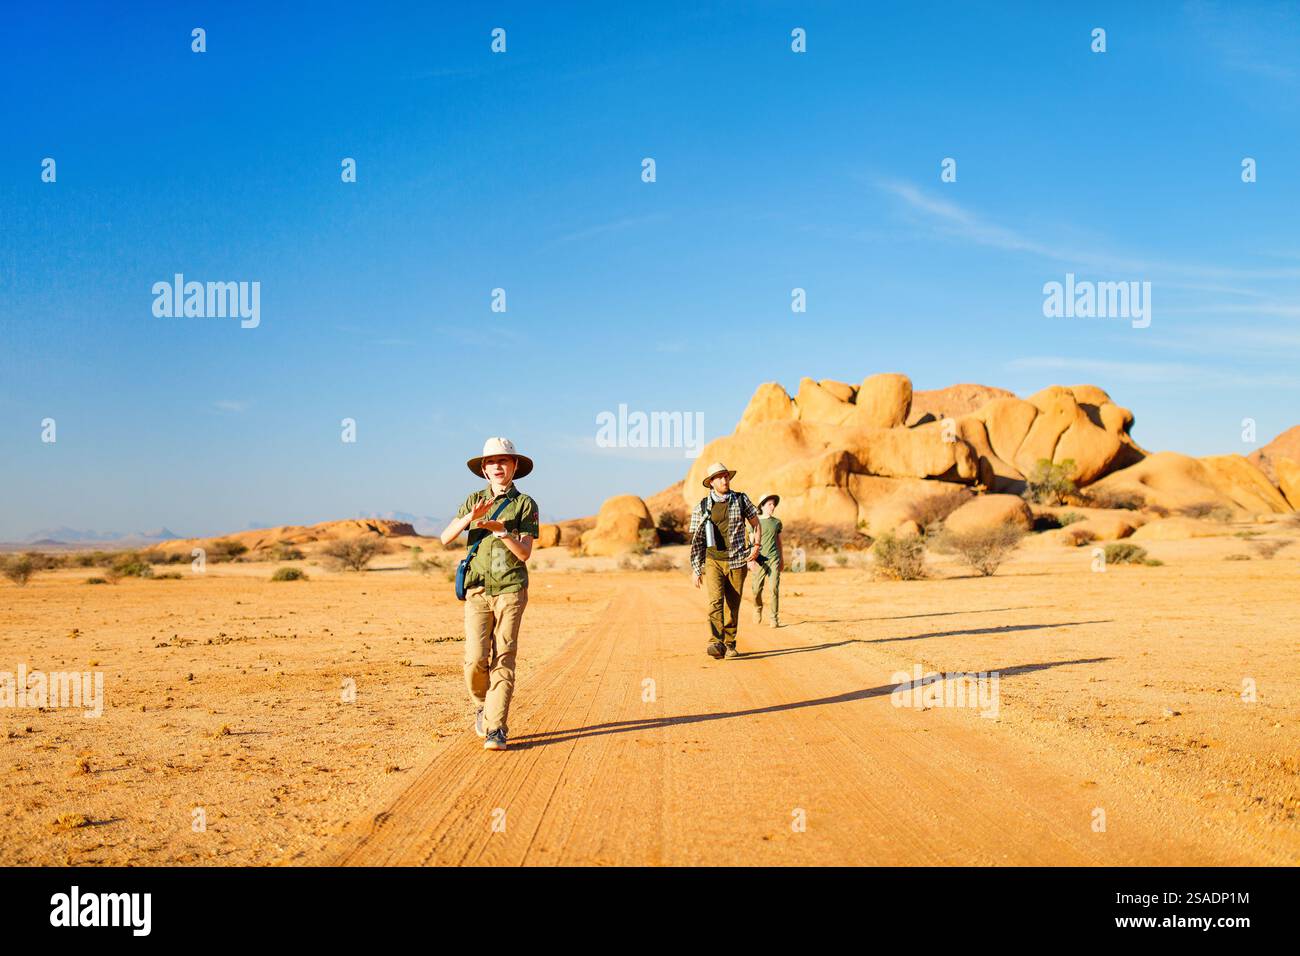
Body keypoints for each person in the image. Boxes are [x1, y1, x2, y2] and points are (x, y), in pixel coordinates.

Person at [439, 437, 539, 752]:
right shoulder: (472, 500)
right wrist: (472, 517)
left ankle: (496, 728)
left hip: (511, 587)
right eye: (492, 462)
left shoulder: (525, 505)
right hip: (477, 588)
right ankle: (483, 704)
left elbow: (524, 554)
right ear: (484, 469)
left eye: (504, 461)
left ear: (514, 467)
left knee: (505, 657)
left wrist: (502, 531)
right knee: (474, 659)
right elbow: (445, 537)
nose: (498, 466)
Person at [688, 461, 761, 659]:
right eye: (719, 477)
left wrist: (756, 547)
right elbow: (697, 540)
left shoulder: (740, 499)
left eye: (726, 476)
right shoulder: (702, 507)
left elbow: (756, 524)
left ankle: (730, 644)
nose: (724, 479)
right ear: (711, 482)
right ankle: (715, 642)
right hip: (713, 561)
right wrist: (696, 569)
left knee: (733, 604)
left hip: (737, 560)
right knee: (714, 602)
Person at [751, 493, 783, 627]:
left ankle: (774, 618)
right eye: (769, 504)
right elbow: (751, 541)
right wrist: (750, 559)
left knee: (774, 588)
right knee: (756, 590)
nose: (773, 506)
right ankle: (758, 608)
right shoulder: (755, 521)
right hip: (758, 559)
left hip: (774, 558)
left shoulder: (777, 522)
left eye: (773, 504)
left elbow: (779, 541)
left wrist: (781, 559)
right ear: (762, 506)